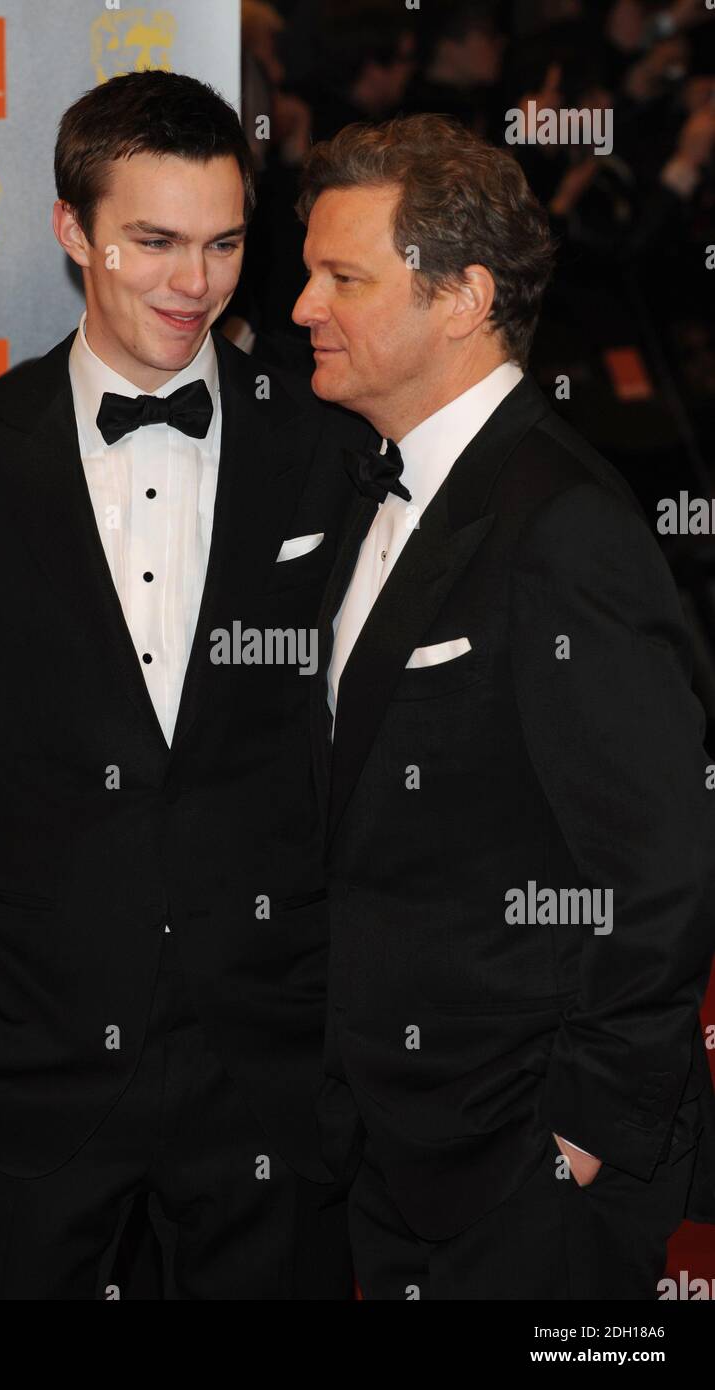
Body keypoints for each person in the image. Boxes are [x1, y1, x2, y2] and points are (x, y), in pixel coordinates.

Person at [0, 70, 369, 1300]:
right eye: (152, 241)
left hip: (266, 1064)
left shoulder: (325, 442)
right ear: (71, 230)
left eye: (222, 244)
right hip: (30, 1066)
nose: (192, 284)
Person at [292, 111, 715, 1299]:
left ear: (463, 297)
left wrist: (579, 1132)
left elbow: (661, 863)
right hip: (390, 1134)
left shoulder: (563, 525)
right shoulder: (372, 486)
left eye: (343, 277)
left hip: (522, 1159)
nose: (301, 306)